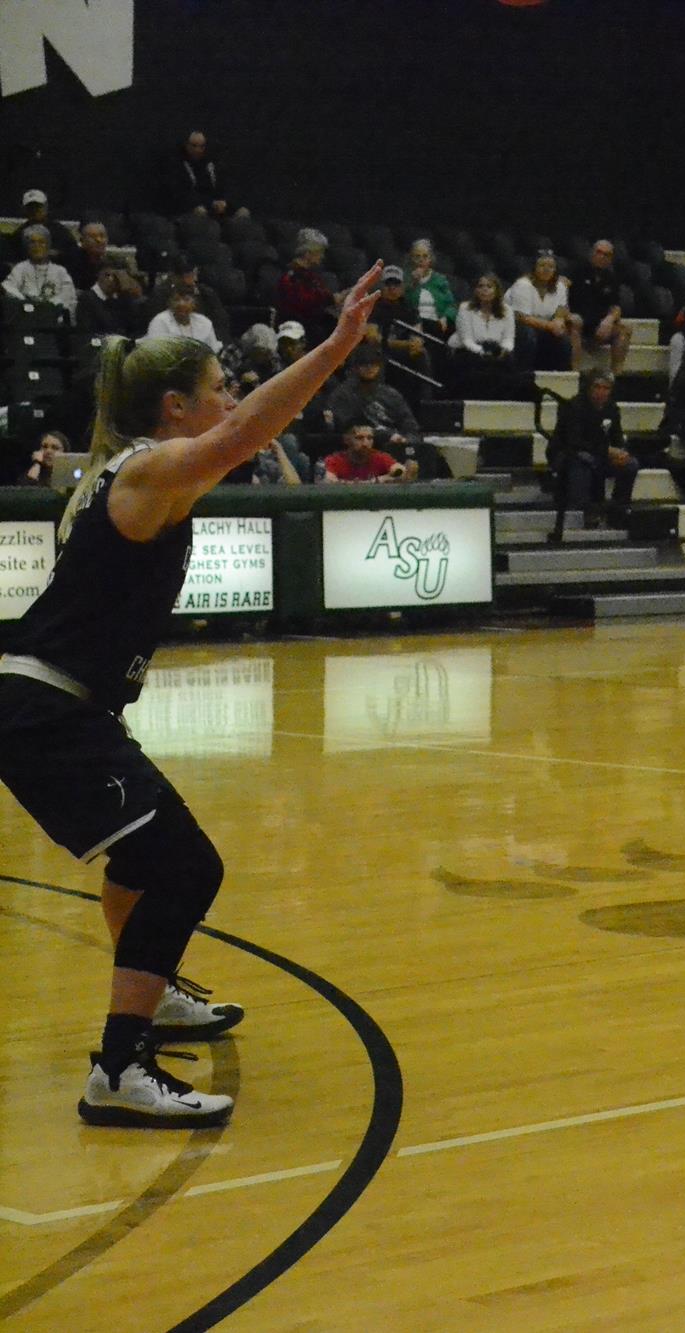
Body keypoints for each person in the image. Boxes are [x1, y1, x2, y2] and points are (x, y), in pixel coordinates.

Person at [0, 266, 382, 1128]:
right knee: (186, 865)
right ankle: (119, 1066)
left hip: (59, 707)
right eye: (216, 387)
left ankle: (153, 993)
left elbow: (239, 428)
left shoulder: (128, 469)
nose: (230, 397)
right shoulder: (150, 473)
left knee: (142, 858)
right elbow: (250, 431)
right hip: (44, 707)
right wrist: (335, 347)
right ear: (175, 406)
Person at [547, 369, 636, 537]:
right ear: (589, 387)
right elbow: (574, 442)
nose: (601, 392)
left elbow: (617, 437)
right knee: (585, 459)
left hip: (599, 454)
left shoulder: (612, 408)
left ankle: (618, 509)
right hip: (569, 453)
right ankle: (585, 507)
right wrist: (607, 451)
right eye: (597, 387)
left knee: (630, 464)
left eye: (606, 388)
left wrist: (621, 452)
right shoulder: (574, 406)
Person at [448, 273, 522, 397]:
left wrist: (504, 350)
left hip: (494, 348)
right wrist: (482, 352)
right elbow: (467, 341)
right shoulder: (465, 308)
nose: (484, 289)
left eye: (489, 286)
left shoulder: (507, 310)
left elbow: (508, 339)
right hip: (466, 349)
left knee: (508, 359)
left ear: (497, 290)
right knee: (477, 363)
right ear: (476, 290)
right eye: (481, 286)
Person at [507, 252, 578, 371]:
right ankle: (524, 373)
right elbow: (522, 317)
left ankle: (563, 377)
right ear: (534, 268)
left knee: (564, 338)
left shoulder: (560, 286)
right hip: (517, 326)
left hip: (544, 327)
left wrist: (558, 323)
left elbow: (561, 310)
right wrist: (551, 325)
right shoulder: (522, 285)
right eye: (542, 265)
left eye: (550, 267)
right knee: (528, 334)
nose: (546, 269)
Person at [570, 240, 631, 373]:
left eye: (607, 255)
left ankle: (616, 375)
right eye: (599, 252)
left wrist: (609, 320)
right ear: (592, 253)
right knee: (575, 321)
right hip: (576, 322)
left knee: (624, 330)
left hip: (599, 326)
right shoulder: (576, 270)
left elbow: (616, 306)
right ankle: (574, 373)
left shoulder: (611, 278)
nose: (602, 257)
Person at [163, 130, 242, 218]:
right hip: (189, 208)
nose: (197, 150)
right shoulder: (176, 163)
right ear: (186, 145)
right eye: (194, 146)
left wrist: (224, 202)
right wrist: (209, 203)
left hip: (215, 205)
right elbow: (180, 193)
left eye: (201, 146)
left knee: (243, 212)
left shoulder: (211, 161)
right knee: (200, 213)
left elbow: (225, 184)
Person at [275, 231, 336, 344]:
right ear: (307, 253)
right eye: (319, 252)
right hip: (300, 326)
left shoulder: (312, 276)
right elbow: (301, 302)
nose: (322, 256)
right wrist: (330, 299)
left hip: (314, 323)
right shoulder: (291, 276)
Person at [3, 225, 78, 313]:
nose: (37, 246)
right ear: (27, 246)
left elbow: (68, 294)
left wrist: (46, 305)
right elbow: (8, 287)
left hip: (53, 316)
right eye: (32, 242)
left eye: (41, 242)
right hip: (27, 315)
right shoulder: (20, 268)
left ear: (48, 246)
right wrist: (27, 301)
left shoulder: (60, 271)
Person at [322, 421, 411, 484]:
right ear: (347, 440)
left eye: (369, 438)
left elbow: (400, 472)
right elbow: (329, 481)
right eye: (359, 438)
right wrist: (363, 483)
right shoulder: (334, 460)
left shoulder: (381, 457)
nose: (365, 443)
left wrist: (381, 479)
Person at [402, 240, 457, 342]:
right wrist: (414, 283)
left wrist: (445, 317)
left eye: (425, 256)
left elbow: (452, 306)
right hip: (414, 325)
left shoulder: (440, 280)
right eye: (417, 257)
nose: (421, 260)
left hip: (438, 325)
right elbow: (405, 304)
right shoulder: (406, 279)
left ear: (430, 259)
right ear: (411, 259)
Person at [144, 284, 223, 354]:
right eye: (176, 300)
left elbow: (212, 352)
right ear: (169, 303)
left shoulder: (204, 322)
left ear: (194, 304)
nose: (181, 304)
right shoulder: (159, 321)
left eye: (186, 299)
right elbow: (155, 354)